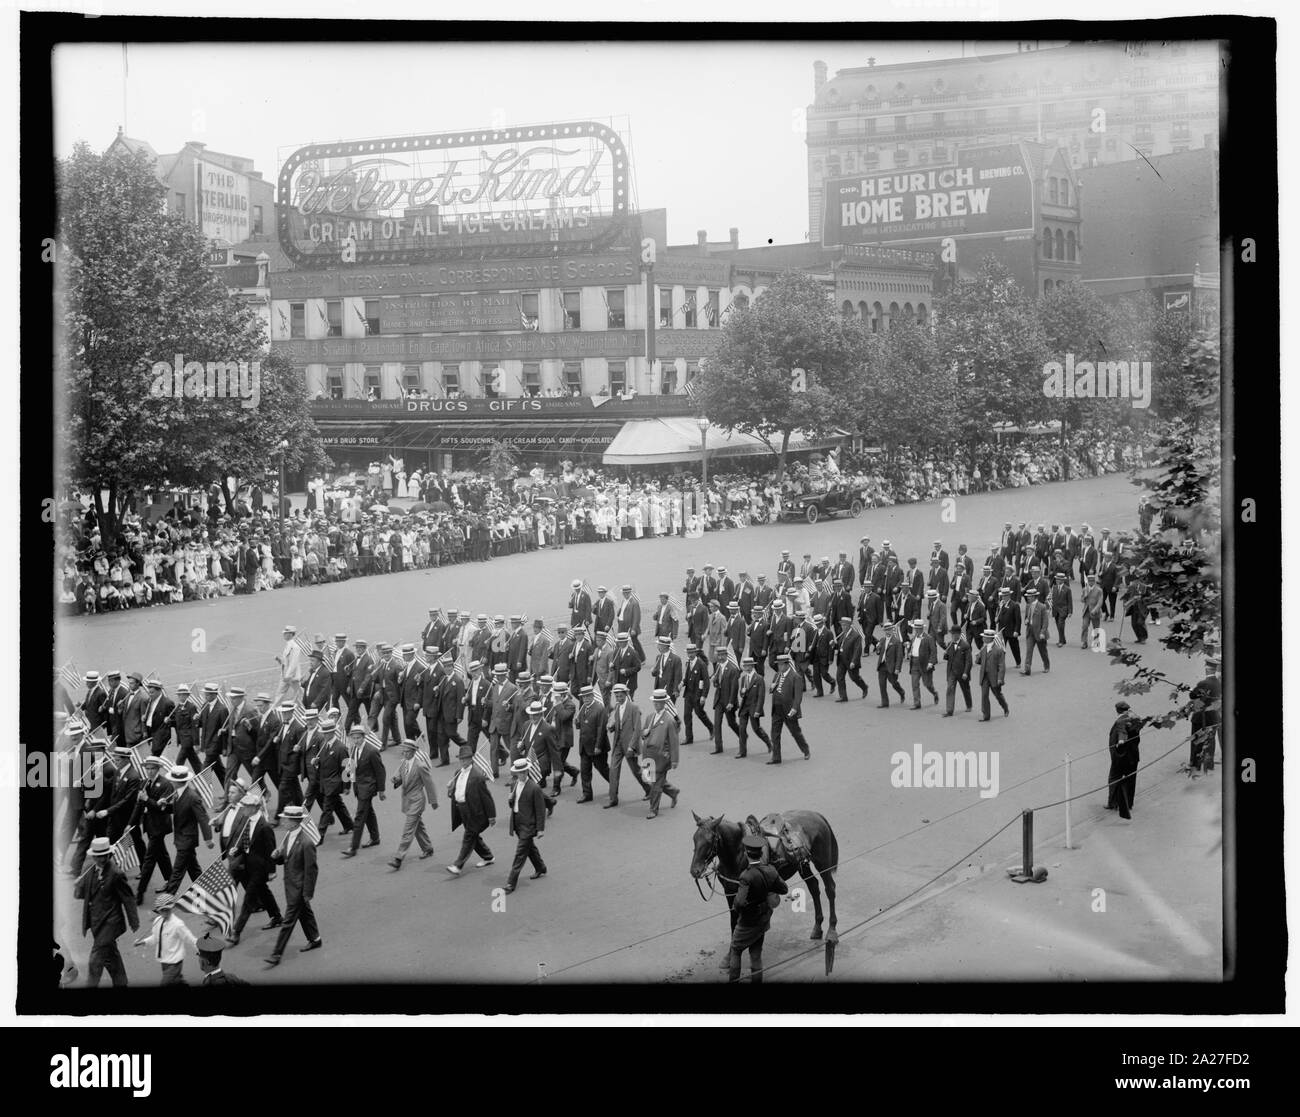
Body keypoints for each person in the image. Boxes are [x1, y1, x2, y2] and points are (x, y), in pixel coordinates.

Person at [74, 836, 140, 987]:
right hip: (96, 922)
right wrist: (77, 885)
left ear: (109, 854)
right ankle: (121, 983)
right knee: (111, 956)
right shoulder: (88, 870)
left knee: (95, 961)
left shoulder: (116, 874)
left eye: (105, 855)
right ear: (94, 856)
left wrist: (134, 921)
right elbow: (80, 895)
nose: (102, 859)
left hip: (111, 922)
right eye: (99, 856)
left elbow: (128, 898)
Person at [727, 833, 788, 983]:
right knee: (755, 955)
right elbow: (784, 889)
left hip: (748, 922)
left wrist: (740, 907)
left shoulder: (745, 876)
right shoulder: (771, 870)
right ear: (761, 853)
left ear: (747, 854)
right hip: (763, 920)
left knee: (735, 949)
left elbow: (738, 904)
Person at [266, 805, 321, 966]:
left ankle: (276, 953)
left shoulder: (306, 843)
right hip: (290, 884)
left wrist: (307, 892)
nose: (282, 820)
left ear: (295, 821)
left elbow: (311, 870)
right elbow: (285, 859)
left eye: (285, 819)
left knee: (288, 920)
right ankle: (315, 938)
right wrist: (276, 857)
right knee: (304, 913)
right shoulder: (289, 836)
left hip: (298, 887)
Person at [228, 792, 283, 945]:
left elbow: (270, 849)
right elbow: (245, 841)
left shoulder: (264, 827)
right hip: (246, 865)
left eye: (246, 806)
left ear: (254, 808)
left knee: (248, 900)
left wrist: (272, 871)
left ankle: (236, 932)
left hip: (260, 868)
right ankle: (277, 916)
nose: (243, 807)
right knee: (263, 892)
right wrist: (237, 850)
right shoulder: (247, 820)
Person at [129, 756, 175, 906]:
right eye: (147, 768)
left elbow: (163, 808)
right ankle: (170, 881)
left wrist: (146, 799)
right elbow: (138, 805)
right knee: (162, 854)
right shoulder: (144, 783)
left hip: (160, 826)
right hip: (149, 825)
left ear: (158, 769)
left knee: (149, 859)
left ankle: (140, 892)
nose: (149, 771)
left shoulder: (165, 784)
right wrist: (130, 823)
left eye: (152, 768)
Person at [445, 744, 497, 875]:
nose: (462, 761)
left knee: (468, 837)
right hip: (462, 810)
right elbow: (456, 791)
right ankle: (488, 856)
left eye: (465, 759)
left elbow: (487, 798)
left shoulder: (477, 777)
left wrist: (491, 816)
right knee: (473, 836)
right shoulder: (458, 773)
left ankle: (458, 865)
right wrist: (450, 789)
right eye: (461, 759)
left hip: (475, 812)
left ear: (471, 759)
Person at [387, 738, 438, 870]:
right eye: (403, 750)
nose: (404, 753)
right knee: (417, 826)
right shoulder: (403, 763)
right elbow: (400, 777)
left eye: (407, 751)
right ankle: (428, 848)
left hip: (417, 801)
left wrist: (433, 801)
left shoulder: (420, 766)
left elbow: (429, 784)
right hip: (407, 800)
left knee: (408, 830)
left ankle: (399, 857)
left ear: (413, 752)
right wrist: (396, 779)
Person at [162, 766, 213, 894]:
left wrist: (208, 839)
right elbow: (176, 809)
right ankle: (204, 893)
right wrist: (165, 806)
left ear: (179, 782)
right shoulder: (178, 793)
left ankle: (166, 899)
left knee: (177, 872)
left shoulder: (192, 797)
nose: (171, 782)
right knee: (194, 869)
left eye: (173, 780)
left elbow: (203, 818)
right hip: (181, 837)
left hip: (187, 839)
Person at [132, 892, 197, 986]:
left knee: (165, 983)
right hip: (164, 961)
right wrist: (143, 942)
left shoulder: (178, 924)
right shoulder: (157, 921)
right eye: (162, 910)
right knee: (176, 981)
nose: (165, 912)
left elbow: (190, 938)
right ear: (158, 911)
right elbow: (155, 937)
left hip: (175, 962)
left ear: (172, 908)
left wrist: (202, 950)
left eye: (168, 909)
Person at [503, 757, 547, 894]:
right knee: (529, 848)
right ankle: (540, 867)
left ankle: (511, 882)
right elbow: (513, 804)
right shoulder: (514, 784)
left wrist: (540, 829)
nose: (520, 775)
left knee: (520, 853)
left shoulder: (534, 788)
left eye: (523, 772)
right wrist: (510, 800)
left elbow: (540, 810)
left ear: (527, 771)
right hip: (517, 823)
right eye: (518, 773)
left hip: (528, 825)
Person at [341, 725, 386, 857]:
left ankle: (353, 847)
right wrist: (347, 786)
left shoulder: (371, 751)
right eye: (354, 738)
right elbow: (350, 768)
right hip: (358, 787)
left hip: (368, 787)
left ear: (363, 737)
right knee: (368, 812)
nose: (356, 741)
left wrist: (381, 790)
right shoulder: (353, 749)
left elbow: (380, 771)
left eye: (358, 738)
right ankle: (375, 837)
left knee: (360, 815)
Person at [605, 683, 650, 809]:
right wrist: (612, 727)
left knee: (636, 770)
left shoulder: (634, 708)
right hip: (618, 744)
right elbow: (619, 724)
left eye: (620, 695)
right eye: (616, 695)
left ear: (626, 694)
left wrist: (631, 746)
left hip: (630, 745)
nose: (618, 697)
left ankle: (649, 789)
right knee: (613, 770)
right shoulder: (617, 707)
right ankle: (613, 798)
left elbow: (637, 729)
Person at [641, 689, 681, 819]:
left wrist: (674, 760)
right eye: (655, 702)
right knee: (651, 780)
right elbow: (643, 734)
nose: (656, 704)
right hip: (648, 754)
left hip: (661, 757)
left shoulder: (669, 720)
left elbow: (674, 742)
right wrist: (644, 733)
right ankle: (673, 791)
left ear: (664, 703)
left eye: (659, 702)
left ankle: (653, 809)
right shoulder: (650, 717)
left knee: (656, 784)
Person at [768, 652, 810, 764]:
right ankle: (776, 757)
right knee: (775, 733)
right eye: (778, 665)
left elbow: (798, 696)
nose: (779, 667)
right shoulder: (777, 675)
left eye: (781, 664)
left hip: (788, 710)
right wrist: (772, 688)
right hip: (777, 708)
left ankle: (805, 749)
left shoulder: (796, 677)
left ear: (787, 664)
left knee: (795, 732)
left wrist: (794, 709)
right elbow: (773, 690)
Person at [574, 683, 610, 803]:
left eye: (588, 696)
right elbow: (581, 726)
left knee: (603, 769)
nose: (586, 698)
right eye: (584, 697)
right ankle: (587, 794)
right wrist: (577, 723)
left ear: (592, 695)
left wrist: (598, 746)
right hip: (584, 746)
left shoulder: (600, 709)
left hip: (596, 747)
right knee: (585, 771)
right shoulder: (583, 708)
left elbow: (601, 729)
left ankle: (614, 784)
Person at [1106, 701, 1140, 819]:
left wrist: (1119, 745)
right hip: (1133, 756)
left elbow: (1121, 734)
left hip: (1120, 758)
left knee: (1114, 778)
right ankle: (1128, 804)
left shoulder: (1120, 721)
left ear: (1117, 710)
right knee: (1131, 780)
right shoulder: (1135, 720)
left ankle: (1113, 803)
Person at [734, 655, 773, 759]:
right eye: (744, 665)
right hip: (744, 707)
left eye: (747, 665)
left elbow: (761, 696)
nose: (746, 667)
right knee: (742, 729)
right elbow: (741, 694)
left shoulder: (759, 678)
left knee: (756, 728)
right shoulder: (743, 678)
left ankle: (768, 742)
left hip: (754, 707)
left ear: (752, 666)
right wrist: (742, 693)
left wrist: (758, 710)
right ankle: (742, 751)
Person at [1189, 659, 1221, 773]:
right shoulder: (1218, 683)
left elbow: (1192, 695)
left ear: (1207, 669)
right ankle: (1209, 765)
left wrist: (1192, 690)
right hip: (1213, 717)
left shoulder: (1204, 683)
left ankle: (1195, 765)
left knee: (1197, 740)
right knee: (1210, 741)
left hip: (1201, 717)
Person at [976, 629, 1010, 721]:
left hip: (994, 677)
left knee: (997, 695)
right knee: (984, 695)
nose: (983, 638)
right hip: (985, 676)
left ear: (989, 638)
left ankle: (1005, 706)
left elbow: (1002, 666)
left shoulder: (998, 650)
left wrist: (1000, 678)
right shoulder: (983, 648)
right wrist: (977, 657)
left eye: (984, 637)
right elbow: (979, 662)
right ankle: (986, 716)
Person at [682, 644, 712, 744]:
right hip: (688, 694)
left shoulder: (701, 664)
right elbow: (687, 677)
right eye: (688, 653)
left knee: (700, 714)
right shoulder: (689, 663)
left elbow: (706, 681)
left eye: (692, 653)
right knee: (687, 715)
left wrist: (704, 696)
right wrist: (682, 683)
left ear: (695, 653)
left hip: (697, 695)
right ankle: (689, 738)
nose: (690, 655)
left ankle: (712, 728)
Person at [834, 616, 870, 702]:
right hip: (842, 659)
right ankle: (843, 696)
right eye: (842, 625)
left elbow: (857, 650)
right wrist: (834, 645)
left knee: (854, 678)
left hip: (850, 661)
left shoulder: (856, 636)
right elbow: (840, 646)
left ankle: (864, 687)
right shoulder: (842, 633)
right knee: (839, 677)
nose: (842, 627)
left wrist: (854, 661)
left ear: (849, 625)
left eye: (844, 625)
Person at [906, 618, 939, 709]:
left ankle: (934, 692)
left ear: (921, 629)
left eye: (917, 628)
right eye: (915, 628)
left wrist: (931, 663)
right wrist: (909, 650)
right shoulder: (913, 638)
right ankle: (917, 703)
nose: (915, 630)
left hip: (925, 664)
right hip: (914, 663)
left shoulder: (929, 638)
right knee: (914, 683)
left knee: (927, 684)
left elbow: (933, 652)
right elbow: (913, 649)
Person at [942, 625, 973, 716]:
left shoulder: (965, 645)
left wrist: (966, 672)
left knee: (965, 689)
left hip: (962, 672)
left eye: (953, 634)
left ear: (958, 634)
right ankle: (949, 710)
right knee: (950, 689)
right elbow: (948, 658)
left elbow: (968, 661)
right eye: (952, 634)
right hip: (952, 671)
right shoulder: (950, 644)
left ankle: (969, 705)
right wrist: (945, 655)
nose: (952, 636)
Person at [1020, 588, 1051, 675]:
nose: (1028, 598)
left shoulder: (1042, 606)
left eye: (1029, 596)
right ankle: (1027, 669)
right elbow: (1026, 617)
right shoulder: (1028, 606)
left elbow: (1045, 622)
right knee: (1029, 651)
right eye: (1027, 596)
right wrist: (1026, 620)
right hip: (1030, 632)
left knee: (1043, 651)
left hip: (1039, 633)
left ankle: (1046, 665)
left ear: (1034, 597)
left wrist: (1042, 632)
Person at [875, 622, 906, 708]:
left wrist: (897, 668)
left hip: (891, 666)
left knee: (893, 683)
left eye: (889, 629)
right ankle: (885, 703)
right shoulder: (882, 640)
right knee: (882, 684)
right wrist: (878, 648)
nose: (887, 631)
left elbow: (899, 656)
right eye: (886, 630)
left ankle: (901, 691)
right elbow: (879, 653)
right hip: (882, 665)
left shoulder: (896, 641)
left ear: (892, 630)